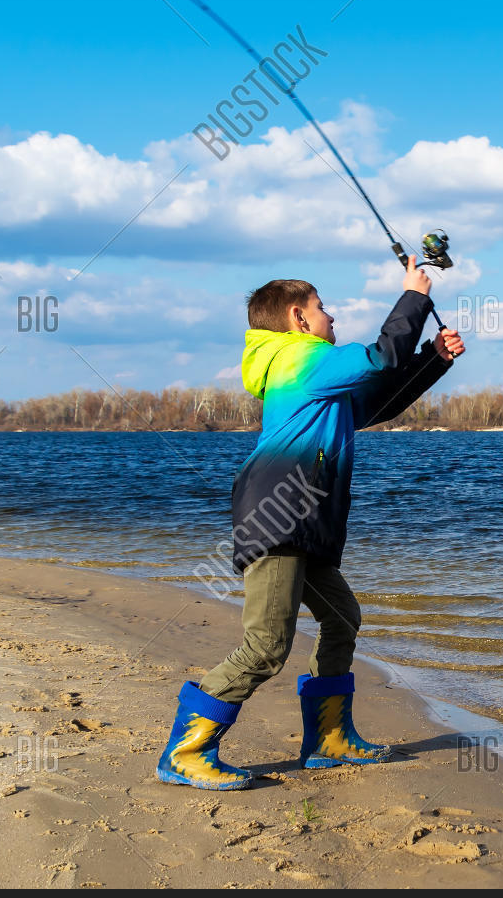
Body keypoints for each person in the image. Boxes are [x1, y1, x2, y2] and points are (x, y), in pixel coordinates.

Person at [156, 256, 464, 789]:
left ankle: (329, 739)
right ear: (298, 318)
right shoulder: (301, 358)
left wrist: (433, 360)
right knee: (266, 646)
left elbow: (377, 398)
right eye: (323, 308)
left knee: (341, 617)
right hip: (280, 515)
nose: (331, 316)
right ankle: (186, 752)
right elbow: (381, 355)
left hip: (305, 520)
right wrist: (415, 295)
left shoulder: (311, 372)